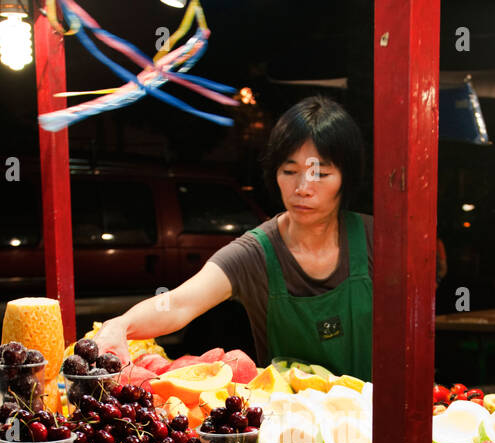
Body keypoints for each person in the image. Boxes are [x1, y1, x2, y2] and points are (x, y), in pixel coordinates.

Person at [96, 96, 373, 379]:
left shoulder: (376, 239)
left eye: (321, 173)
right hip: (290, 418)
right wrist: (121, 325)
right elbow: (178, 304)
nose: (302, 188)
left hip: (375, 419)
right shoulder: (256, 253)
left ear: (346, 178)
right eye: (290, 171)